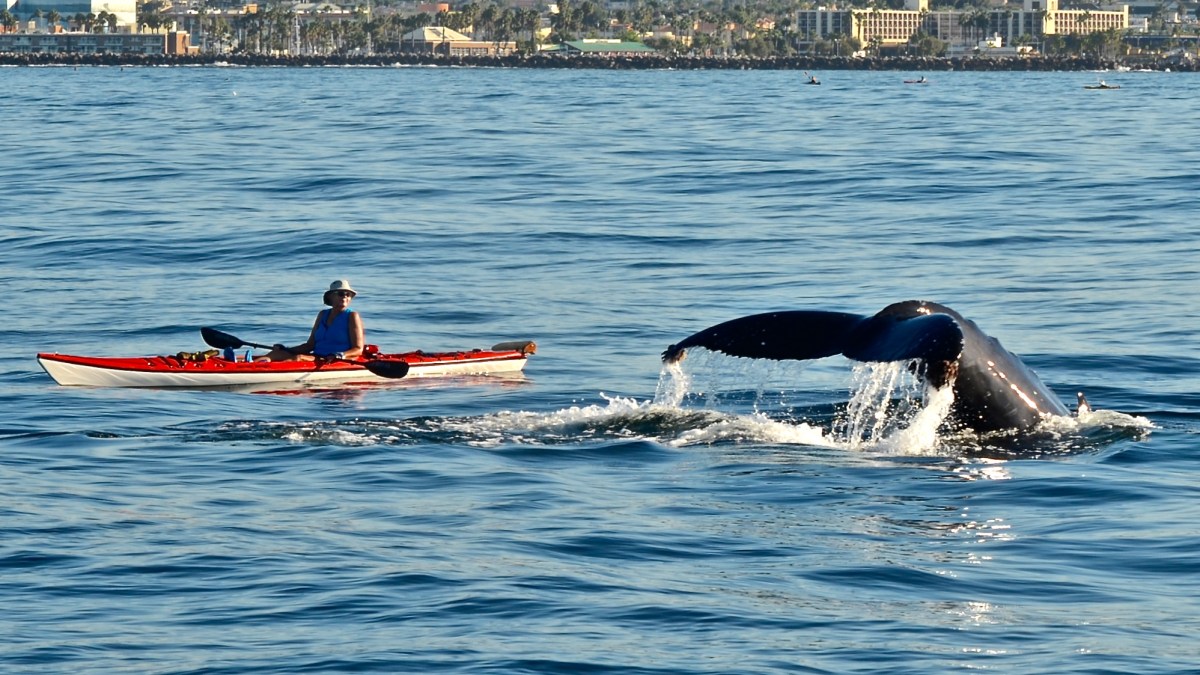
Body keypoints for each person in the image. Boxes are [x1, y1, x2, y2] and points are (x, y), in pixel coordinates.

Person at [259, 279, 365, 362]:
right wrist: (286, 349)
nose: (345, 297)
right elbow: (310, 345)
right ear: (331, 297)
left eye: (348, 294)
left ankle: (267, 371)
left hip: (334, 360)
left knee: (299, 358)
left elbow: (358, 349)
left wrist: (341, 355)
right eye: (341, 293)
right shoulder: (322, 314)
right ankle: (252, 365)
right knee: (275, 354)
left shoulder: (352, 316)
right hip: (316, 357)